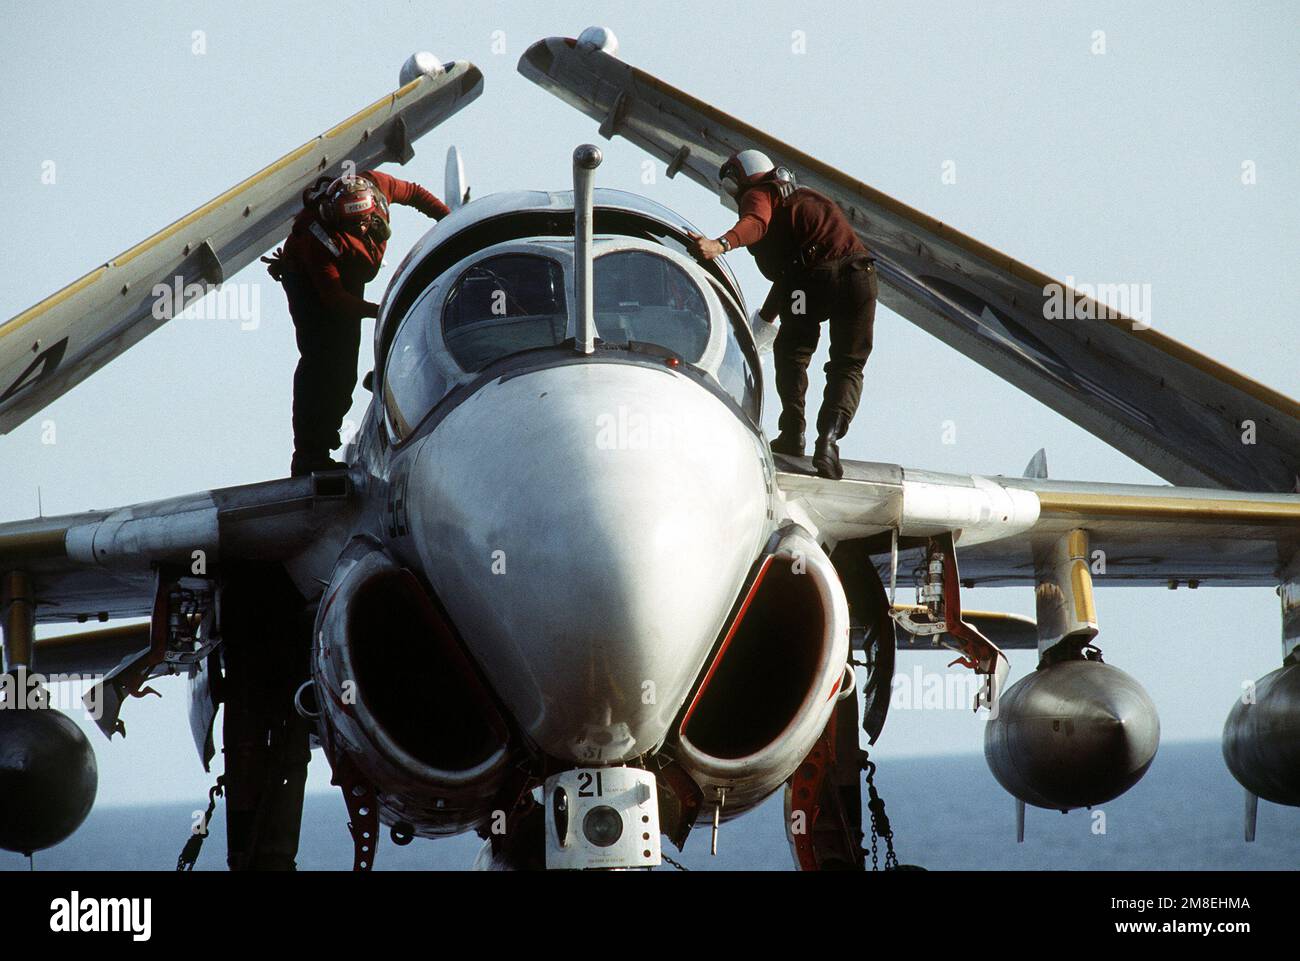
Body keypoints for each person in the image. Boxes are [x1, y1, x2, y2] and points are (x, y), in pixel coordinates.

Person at [688, 149, 877, 480]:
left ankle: (792, 432)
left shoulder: (760, 193)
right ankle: (829, 440)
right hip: (859, 281)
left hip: (811, 288)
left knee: (792, 351)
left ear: (738, 180)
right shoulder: (797, 199)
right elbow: (790, 273)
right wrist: (765, 319)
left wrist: (720, 244)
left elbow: (755, 224)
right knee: (848, 364)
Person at [264, 171, 450, 476]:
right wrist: (385, 309)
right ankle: (310, 454)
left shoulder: (378, 187)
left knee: (346, 368)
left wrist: (451, 220)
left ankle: (329, 425)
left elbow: (416, 193)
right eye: (353, 225)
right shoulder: (316, 236)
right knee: (323, 362)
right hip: (313, 286)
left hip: (349, 273)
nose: (363, 228)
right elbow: (335, 301)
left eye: (366, 221)